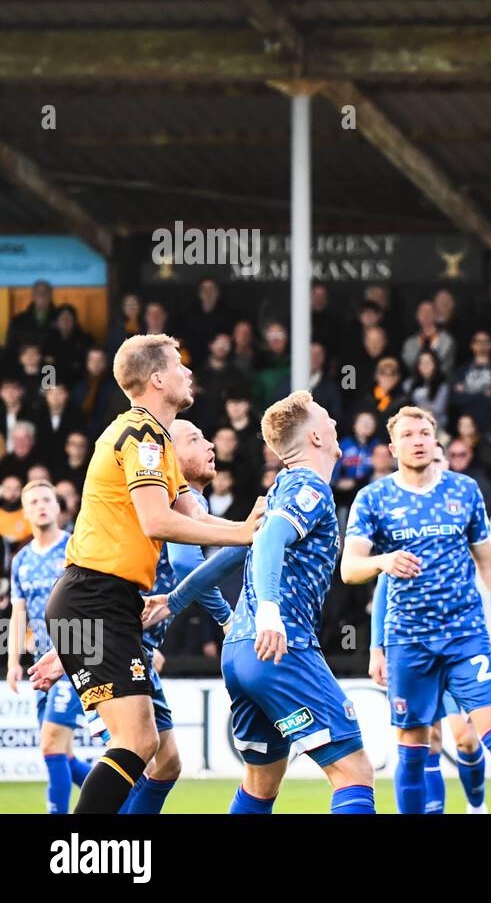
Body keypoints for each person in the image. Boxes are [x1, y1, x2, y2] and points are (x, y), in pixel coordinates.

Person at [39, 334, 261, 813]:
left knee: (152, 752)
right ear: (157, 378)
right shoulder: (141, 435)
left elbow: (194, 517)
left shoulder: (153, 437)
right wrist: (245, 536)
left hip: (101, 600)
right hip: (94, 597)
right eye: (179, 366)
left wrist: (252, 527)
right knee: (138, 744)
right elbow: (158, 522)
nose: (187, 374)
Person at [342, 406, 491, 814]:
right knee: (413, 751)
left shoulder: (464, 491)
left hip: (466, 636)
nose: (418, 440)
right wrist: (381, 562)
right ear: (392, 447)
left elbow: (489, 563)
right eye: (408, 435)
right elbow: (349, 568)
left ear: (436, 440)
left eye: (425, 432)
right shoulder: (373, 498)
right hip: (409, 642)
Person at [218, 391, 373, 813]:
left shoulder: (279, 490)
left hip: (240, 651)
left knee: (261, 781)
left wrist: (175, 601)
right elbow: (268, 540)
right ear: (316, 436)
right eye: (326, 416)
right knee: (354, 770)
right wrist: (270, 611)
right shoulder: (310, 488)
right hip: (280, 645)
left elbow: (240, 548)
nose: (335, 421)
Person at [109, 419, 235, 814]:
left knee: (164, 763)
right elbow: (184, 562)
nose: (210, 444)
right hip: (119, 638)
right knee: (136, 754)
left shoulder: (187, 500)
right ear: (170, 456)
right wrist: (226, 619)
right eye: (196, 439)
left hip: (127, 639)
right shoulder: (183, 500)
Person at [5, 480, 92, 813]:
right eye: (34, 502)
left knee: (51, 746)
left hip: (79, 656)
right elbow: (18, 615)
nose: (41, 506)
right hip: (43, 665)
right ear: (25, 512)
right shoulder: (21, 560)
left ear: (58, 507)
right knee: (63, 754)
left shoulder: (76, 548)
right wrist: (13, 661)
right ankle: (124, 799)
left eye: (46, 500)